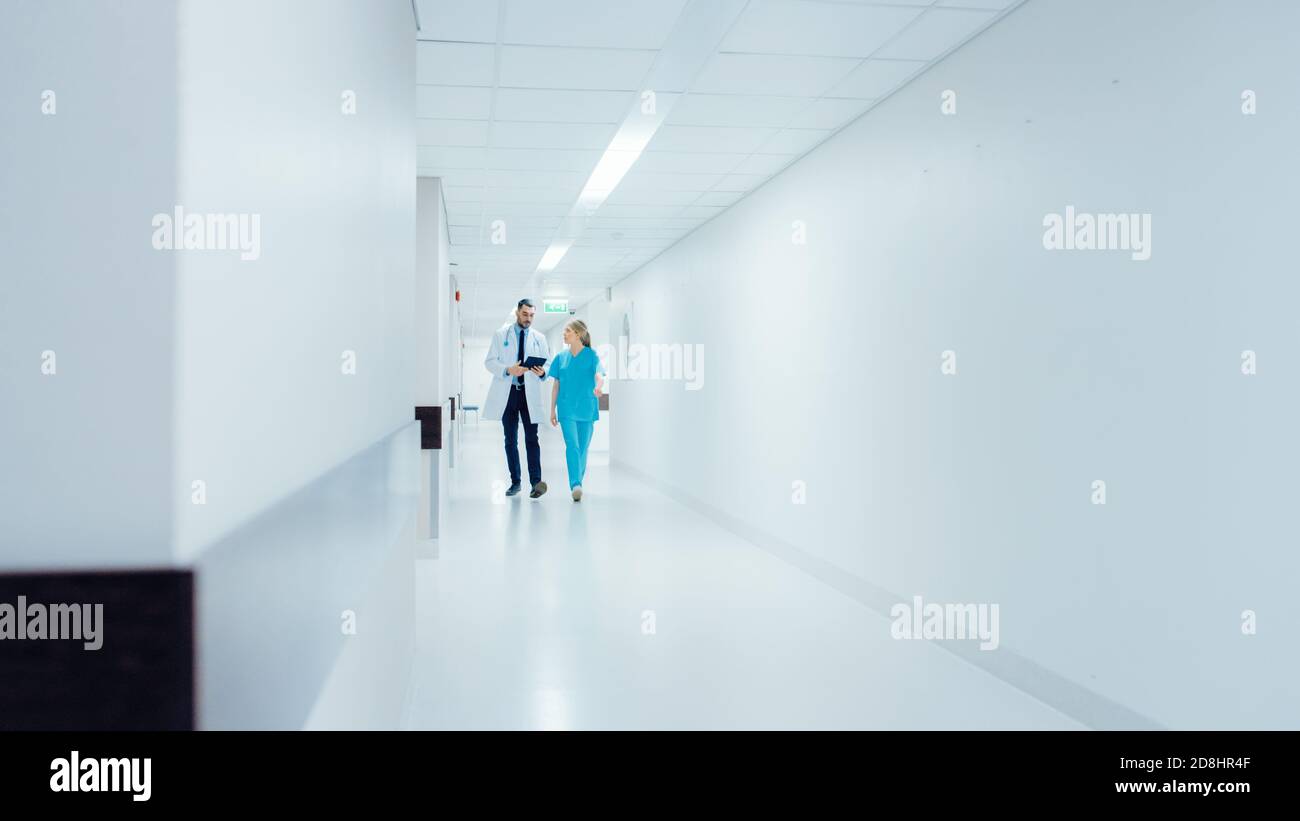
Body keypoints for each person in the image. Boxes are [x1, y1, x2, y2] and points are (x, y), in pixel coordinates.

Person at [481, 299, 550, 499]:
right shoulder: (501, 335)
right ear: (517, 313)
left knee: (532, 438)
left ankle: (536, 483)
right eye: (525, 314)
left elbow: (548, 362)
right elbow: (490, 362)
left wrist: (542, 372)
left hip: (530, 394)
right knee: (510, 440)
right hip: (509, 393)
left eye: (531, 315)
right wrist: (508, 370)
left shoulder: (539, 338)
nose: (528, 319)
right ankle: (516, 482)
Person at [548, 319, 605, 501]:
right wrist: (552, 410)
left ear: (578, 335)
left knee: (583, 448)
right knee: (572, 445)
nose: (564, 334)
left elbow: (598, 375)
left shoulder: (592, 356)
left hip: (587, 408)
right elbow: (556, 385)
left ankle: (578, 480)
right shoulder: (560, 358)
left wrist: (599, 386)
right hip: (566, 409)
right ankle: (575, 484)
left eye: (568, 331)